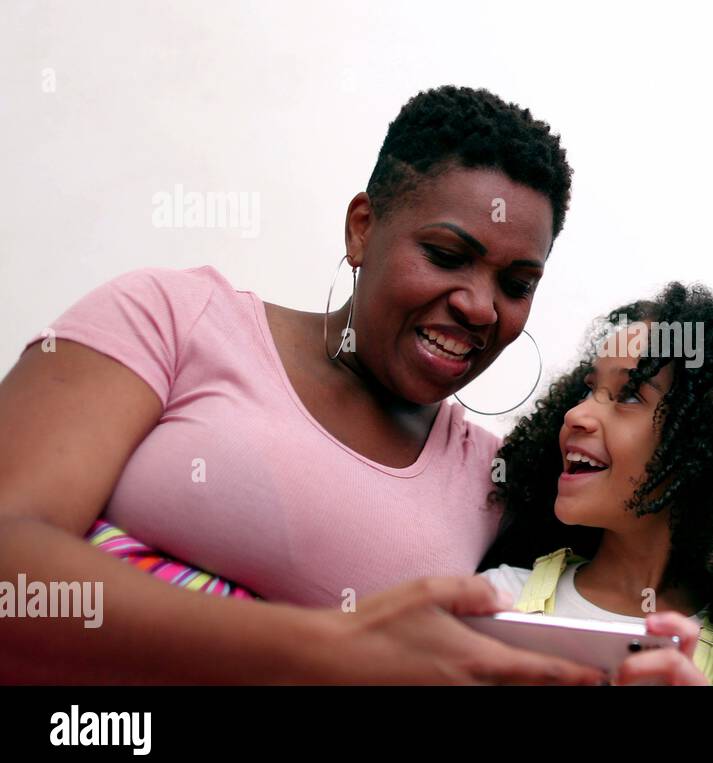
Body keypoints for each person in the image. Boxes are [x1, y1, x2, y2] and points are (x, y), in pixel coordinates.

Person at [0, 85, 605, 685]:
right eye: (446, 255)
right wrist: (327, 651)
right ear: (362, 229)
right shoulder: (173, 318)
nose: (480, 306)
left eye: (517, 285)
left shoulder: (494, 481)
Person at [477, 283, 713, 684]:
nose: (577, 414)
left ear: (707, 443)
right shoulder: (496, 601)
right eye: (589, 389)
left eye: (629, 396)